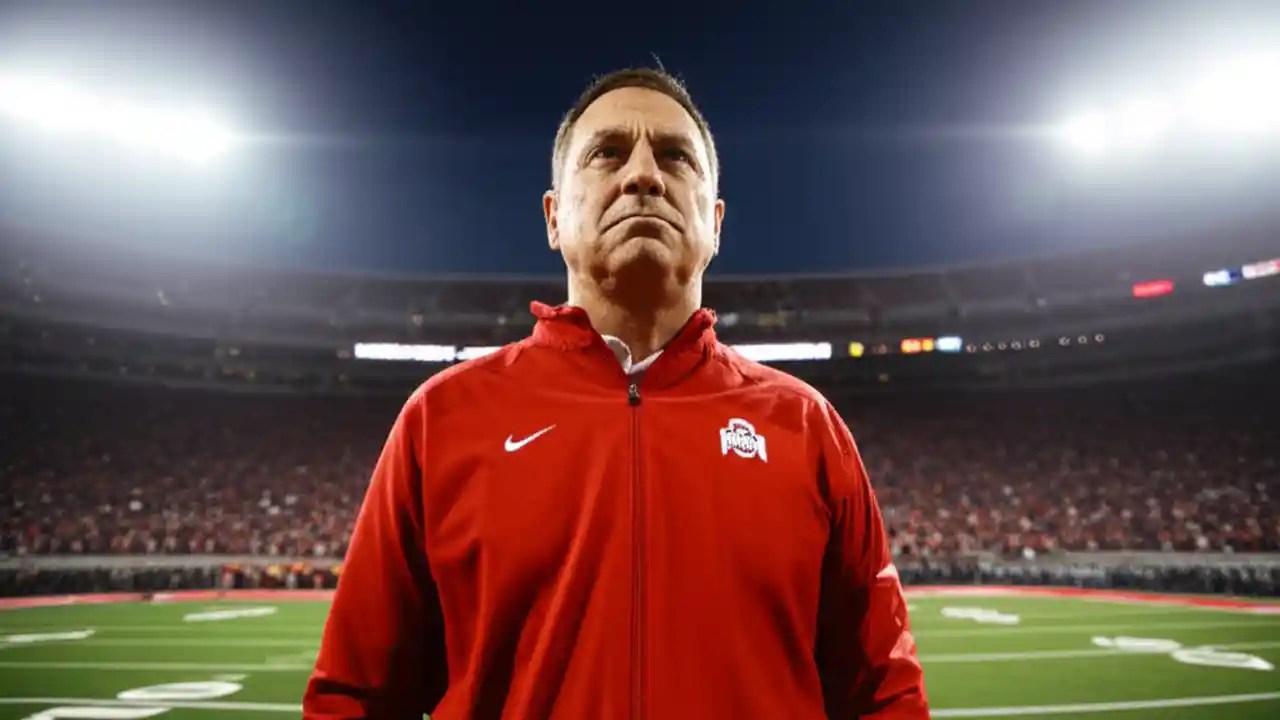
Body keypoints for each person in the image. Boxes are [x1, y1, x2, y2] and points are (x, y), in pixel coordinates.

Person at [303, 67, 928, 719]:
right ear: (553, 216)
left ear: (715, 223)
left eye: (674, 156)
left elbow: (881, 692)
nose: (642, 176)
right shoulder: (442, 418)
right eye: (607, 153)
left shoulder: (806, 426)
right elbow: (358, 695)